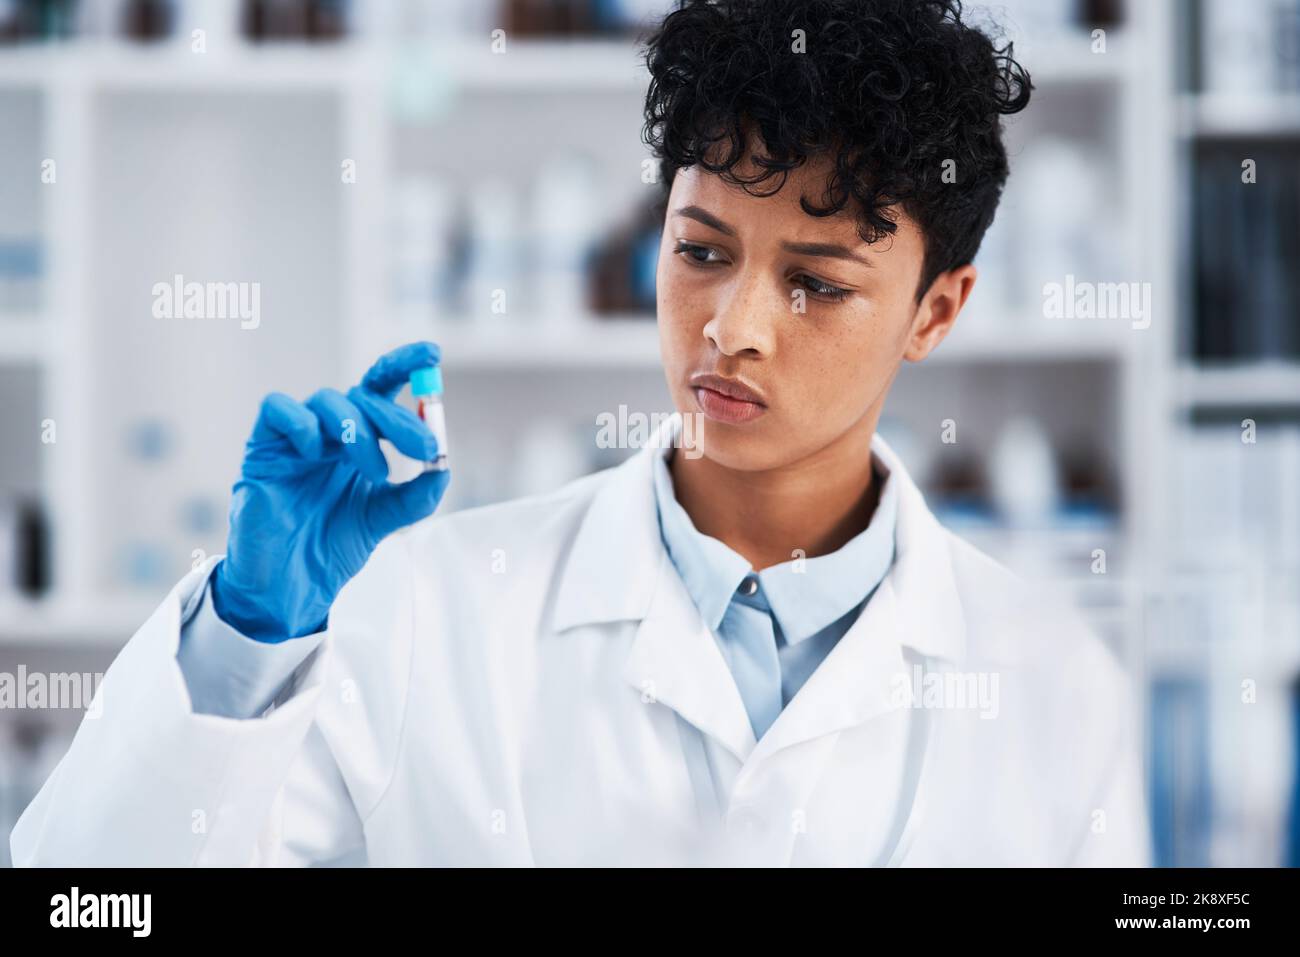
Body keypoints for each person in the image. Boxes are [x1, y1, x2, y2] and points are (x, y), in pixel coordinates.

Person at [11, 0, 1149, 866]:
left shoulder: (1055, 686)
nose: (732, 329)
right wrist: (249, 631)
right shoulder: (423, 615)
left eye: (816, 283)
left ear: (935, 312)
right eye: (700, 252)